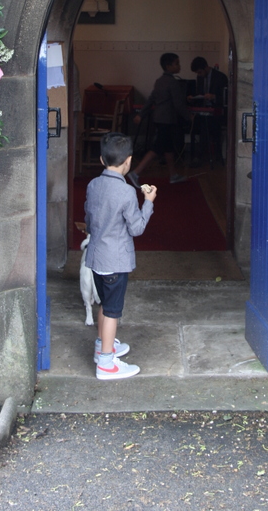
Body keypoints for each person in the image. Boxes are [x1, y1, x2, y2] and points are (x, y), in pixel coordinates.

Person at [84, 131, 157, 380]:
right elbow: (136, 228)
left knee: (104, 303)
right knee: (113, 311)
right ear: (128, 161)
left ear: (102, 161)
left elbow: (89, 219)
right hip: (115, 262)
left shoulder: (93, 185)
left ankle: (102, 344)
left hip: (96, 258)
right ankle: (106, 363)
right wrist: (148, 202)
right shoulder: (126, 192)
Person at [128, 52, 192, 187]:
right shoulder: (173, 83)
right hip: (167, 120)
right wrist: (188, 116)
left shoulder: (159, 81)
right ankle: (135, 172)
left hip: (158, 118)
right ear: (168, 66)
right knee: (157, 148)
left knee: (168, 148)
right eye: (177, 64)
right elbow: (178, 104)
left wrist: (141, 114)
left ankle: (173, 175)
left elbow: (151, 99)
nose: (179, 66)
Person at [187, 57, 228, 165]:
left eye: (200, 72)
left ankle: (214, 156)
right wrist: (194, 98)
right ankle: (201, 155)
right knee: (200, 124)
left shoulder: (220, 77)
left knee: (211, 128)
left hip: (217, 110)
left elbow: (226, 97)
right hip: (204, 110)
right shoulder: (200, 78)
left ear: (206, 67)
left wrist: (214, 97)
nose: (199, 75)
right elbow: (200, 93)